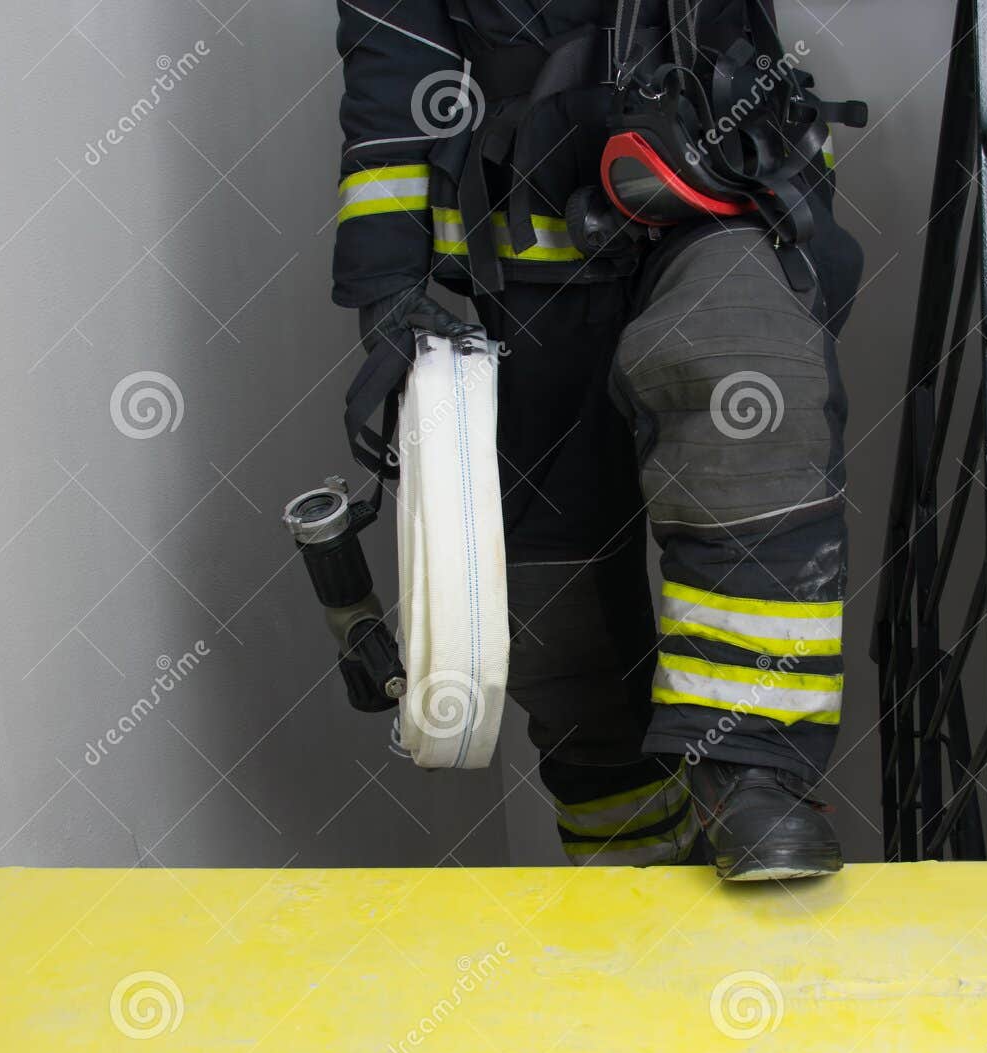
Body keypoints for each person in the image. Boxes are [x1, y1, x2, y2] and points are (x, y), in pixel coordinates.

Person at [332, 0, 863, 879]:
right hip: (534, 250)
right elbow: (395, 77)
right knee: (555, 578)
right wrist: (387, 286)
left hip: (719, 188)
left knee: (741, 372)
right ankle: (626, 842)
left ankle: (753, 773)